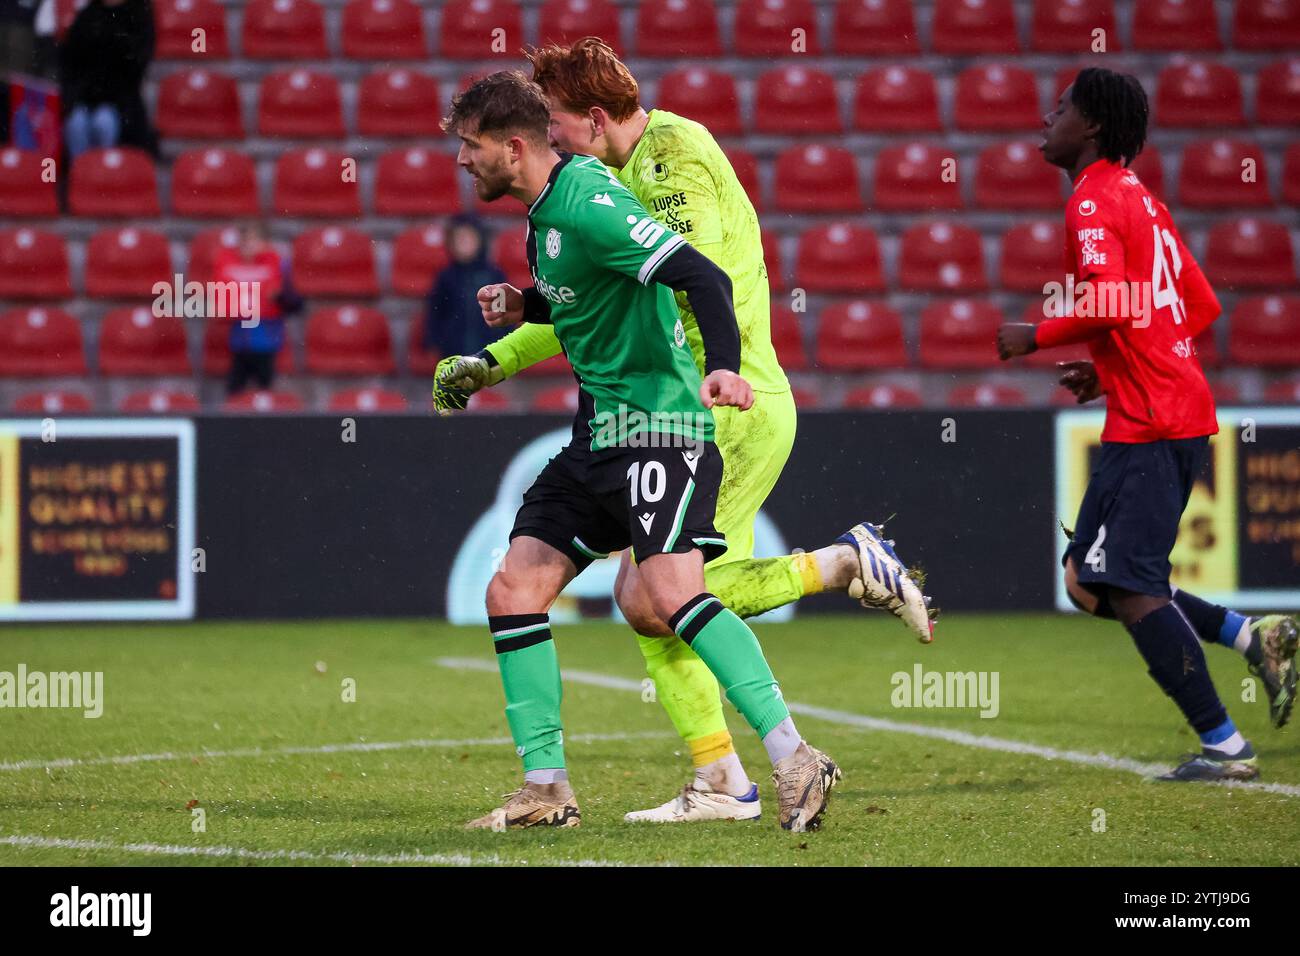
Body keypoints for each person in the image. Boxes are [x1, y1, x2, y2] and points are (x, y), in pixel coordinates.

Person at [434, 38, 932, 823]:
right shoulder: (560, 206)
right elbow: (588, 301)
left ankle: (800, 715)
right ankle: (583, 787)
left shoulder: (630, 179)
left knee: (665, 593)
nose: (464, 162)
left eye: (472, 146)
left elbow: (697, 274)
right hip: (606, 429)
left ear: (550, 134)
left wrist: (725, 365)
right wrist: (512, 330)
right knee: (523, 589)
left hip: (684, 414)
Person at [996, 67, 1298, 782]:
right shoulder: (1145, 202)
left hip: (1159, 420)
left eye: (1062, 107)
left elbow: (1112, 299)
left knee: (1129, 584)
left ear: (1093, 125)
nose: (1048, 116)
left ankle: (1225, 745)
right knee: (1086, 579)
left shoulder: (1095, 201)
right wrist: (1112, 370)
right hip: (1156, 408)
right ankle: (1251, 635)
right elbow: (1195, 305)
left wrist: (1035, 336)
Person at [58, 0, 156, 159]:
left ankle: (104, 175)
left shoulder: (138, 14)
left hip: (121, 103)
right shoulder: (88, 15)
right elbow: (71, 64)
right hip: (85, 100)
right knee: (76, 124)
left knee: (104, 123)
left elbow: (137, 62)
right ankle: (79, 176)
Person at [214, 222, 303, 396]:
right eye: (244, 241)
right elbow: (220, 301)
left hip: (268, 338)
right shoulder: (227, 263)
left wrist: (280, 296)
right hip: (238, 339)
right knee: (235, 390)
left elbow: (295, 303)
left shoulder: (277, 263)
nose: (248, 246)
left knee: (267, 389)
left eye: (253, 240)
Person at [422, 215, 508, 360]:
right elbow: (436, 314)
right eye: (459, 240)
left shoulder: (495, 276)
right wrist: (436, 342)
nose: (464, 244)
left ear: (480, 241)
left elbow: (503, 317)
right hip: (453, 352)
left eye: (469, 239)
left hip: (489, 352)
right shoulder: (445, 277)